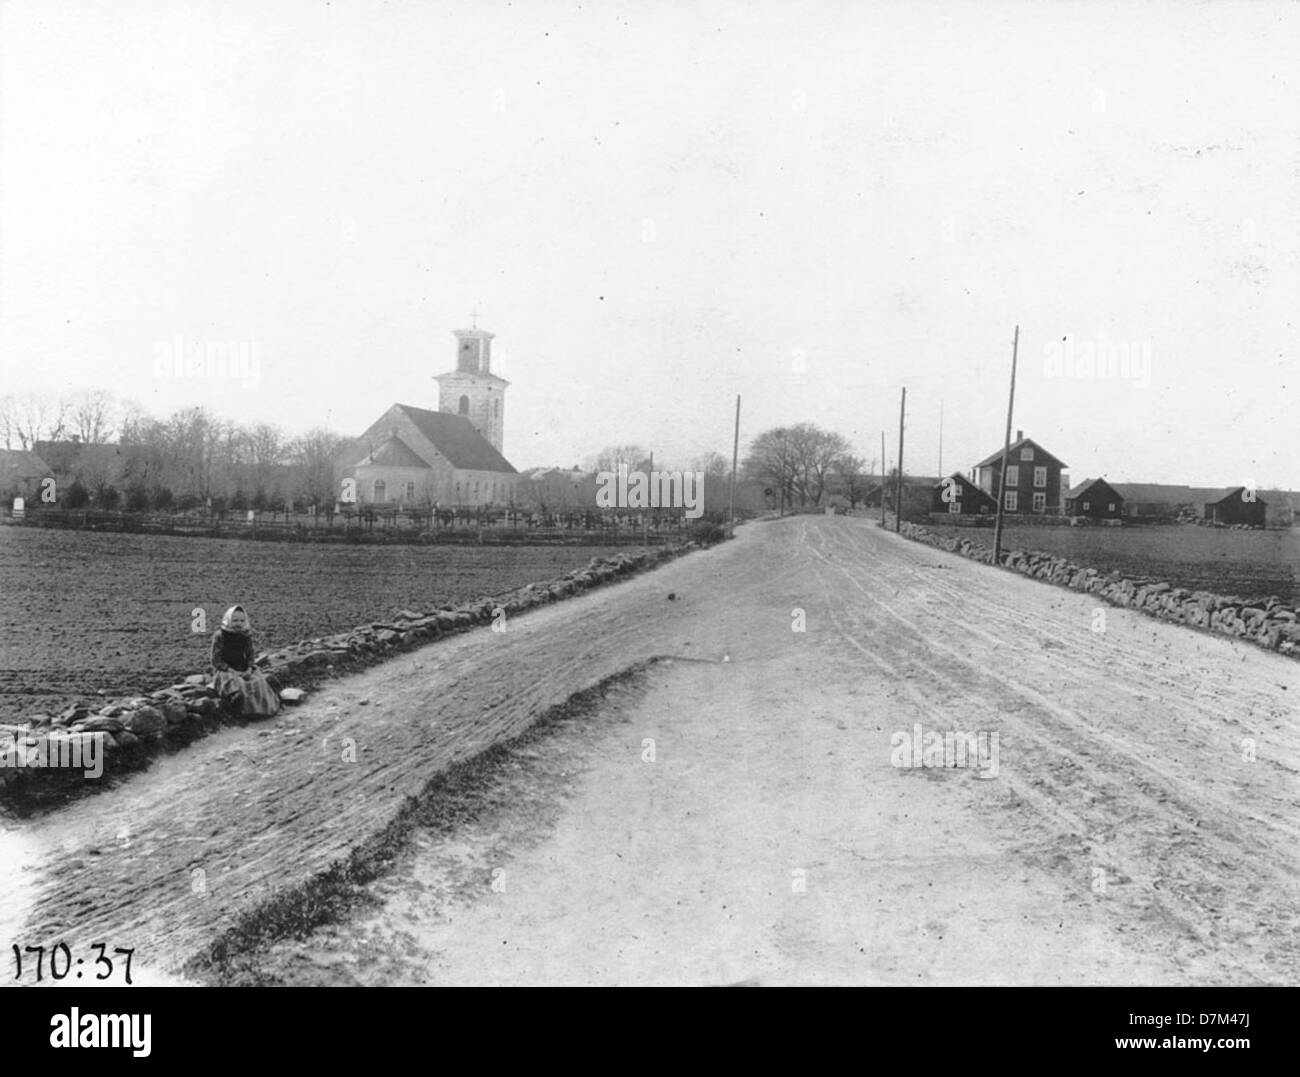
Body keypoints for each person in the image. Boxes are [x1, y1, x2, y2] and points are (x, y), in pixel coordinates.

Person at [210, 605, 281, 717]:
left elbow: (250, 654)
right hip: (226, 670)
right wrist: (232, 671)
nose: (238, 623)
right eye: (235, 620)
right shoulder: (220, 636)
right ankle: (242, 714)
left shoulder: (245, 634)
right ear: (228, 620)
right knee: (238, 687)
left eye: (242, 620)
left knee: (259, 682)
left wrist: (249, 668)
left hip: (242, 667)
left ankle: (262, 711)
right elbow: (216, 660)